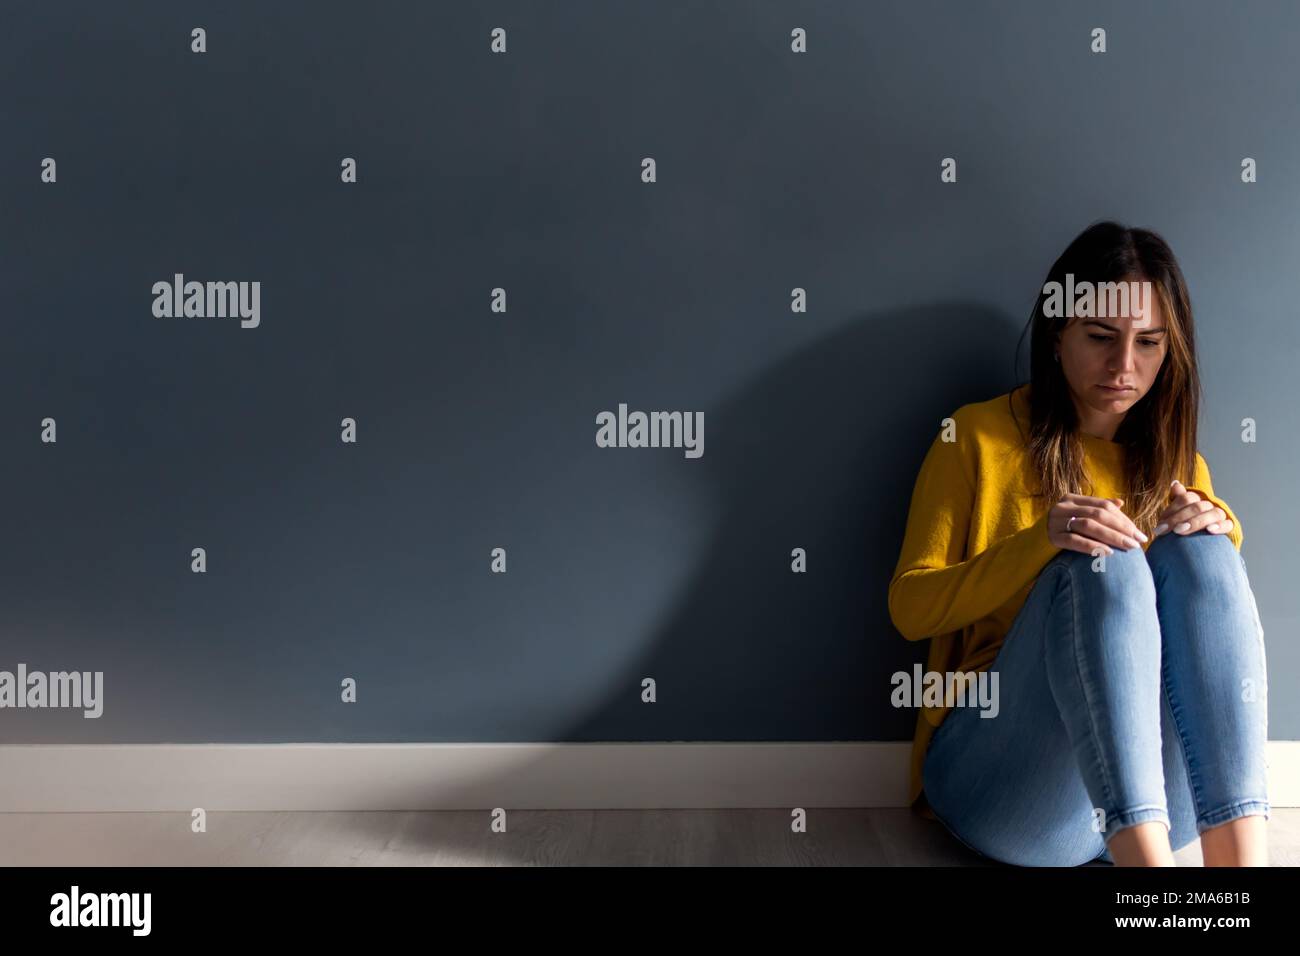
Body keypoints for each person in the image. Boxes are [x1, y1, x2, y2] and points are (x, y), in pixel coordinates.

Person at [888, 220, 1269, 866]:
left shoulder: (1178, 465)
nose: (1126, 367)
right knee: (1103, 562)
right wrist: (1043, 541)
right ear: (1057, 332)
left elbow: (1210, 629)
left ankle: (1240, 874)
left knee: (1206, 546)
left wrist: (1222, 525)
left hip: (1157, 796)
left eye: (1149, 343)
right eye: (1100, 337)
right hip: (1007, 783)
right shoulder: (976, 438)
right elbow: (909, 609)